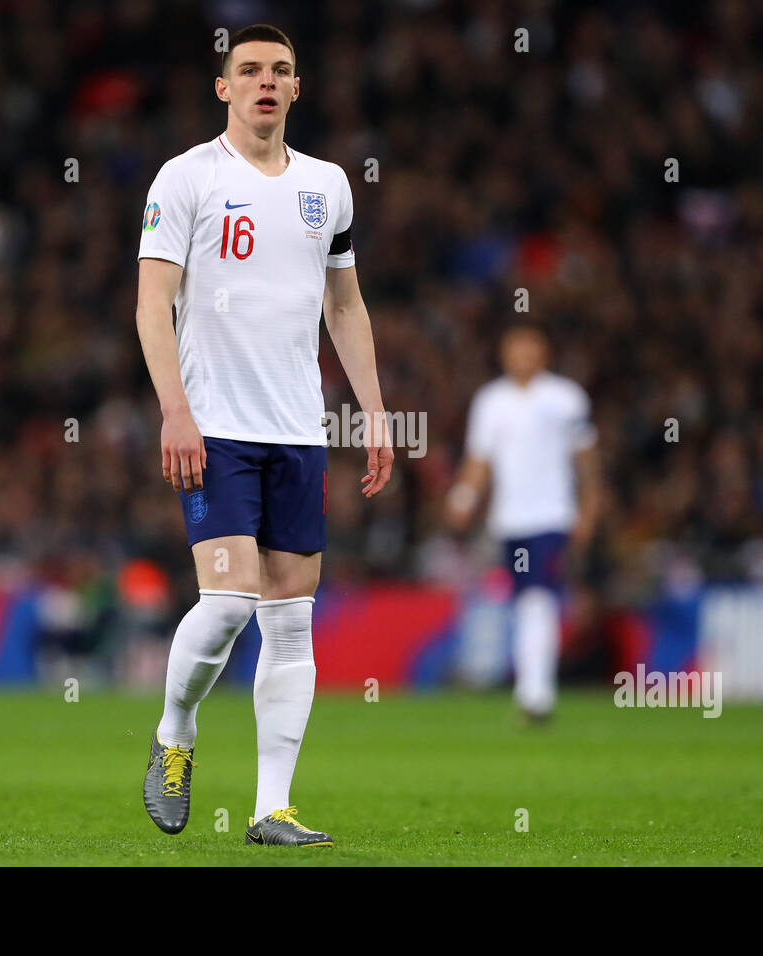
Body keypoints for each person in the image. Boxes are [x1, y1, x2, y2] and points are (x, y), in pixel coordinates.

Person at [134, 23, 392, 847]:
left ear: (296, 86)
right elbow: (152, 303)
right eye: (249, 70)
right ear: (224, 88)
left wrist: (375, 410)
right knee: (228, 602)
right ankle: (175, 733)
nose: (266, 82)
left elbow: (344, 306)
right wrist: (174, 408)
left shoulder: (328, 186)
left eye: (280, 69)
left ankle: (270, 808)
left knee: (290, 619)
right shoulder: (186, 179)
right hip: (215, 428)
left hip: (296, 431)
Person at [446, 321, 599, 722]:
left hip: (552, 516)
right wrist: (463, 497)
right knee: (525, 600)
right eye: (515, 348)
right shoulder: (490, 401)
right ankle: (533, 688)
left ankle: (536, 694)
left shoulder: (565, 398)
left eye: (530, 347)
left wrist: (590, 508)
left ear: (544, 352)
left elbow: (586, 460)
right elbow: (480, 459)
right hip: (509, 520)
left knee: (538, 598)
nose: (523, 355)